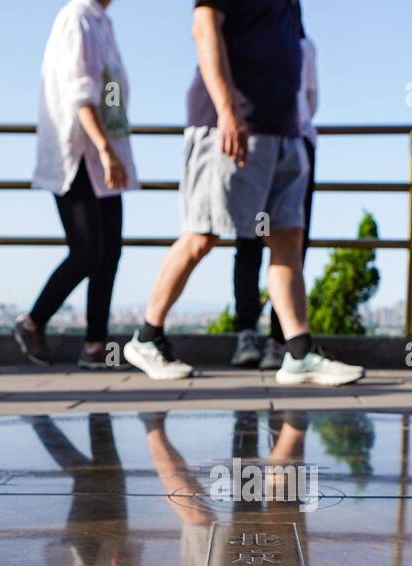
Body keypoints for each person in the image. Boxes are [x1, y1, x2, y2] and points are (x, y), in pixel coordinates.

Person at [123, 0, 363, 387]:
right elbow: (203, 27)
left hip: (284, 129)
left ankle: (299, 353)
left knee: (287, 236)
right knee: (202, 233)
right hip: (231, 127)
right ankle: (147, 338)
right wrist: (226, 110)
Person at [14, 0, 137, 372]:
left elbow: (109, 93)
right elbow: (78, 93)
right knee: (87, 250)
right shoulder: (77, 19)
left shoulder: (103, 24)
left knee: (109, 252)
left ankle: (95, 344)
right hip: (80, 153)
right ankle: (32, 322)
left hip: (104, 155)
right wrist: (103, 148)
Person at [230, 21, 317, 371]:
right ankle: (267, 338)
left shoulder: (302, 45)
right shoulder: (264, 36)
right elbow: (311, 99)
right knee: (260, 239)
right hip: (262, 137)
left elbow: (309, 97)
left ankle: (277, 339)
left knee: (280, 242)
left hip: (288, 138)